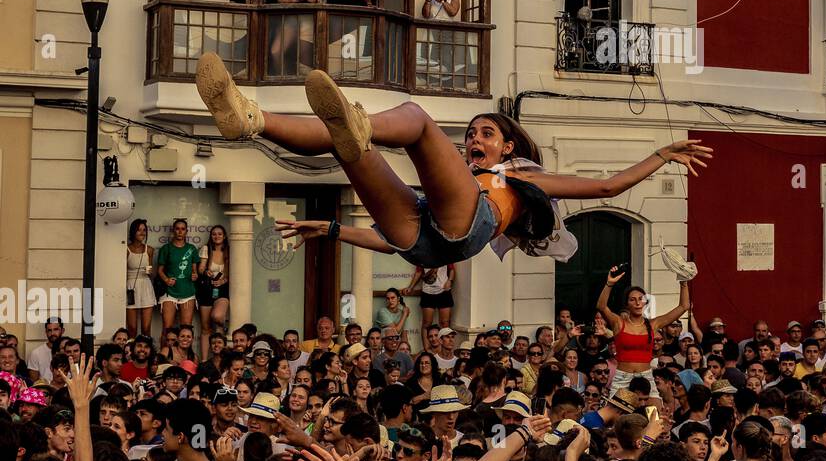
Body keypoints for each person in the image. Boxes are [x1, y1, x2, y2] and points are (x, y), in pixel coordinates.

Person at [194, 53, 711, 279]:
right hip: (424, 244)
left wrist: (661, 155)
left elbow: (605, 187)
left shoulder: (520, 174)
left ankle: (361, 124)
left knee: (417, 119)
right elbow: (392, 241)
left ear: (510, 147)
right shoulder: (461, 182)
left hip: (469, 225)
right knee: (344, 145)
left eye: (486, 133)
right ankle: (251, 119)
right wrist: (332, 229)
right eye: (471, 134)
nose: (473, 139)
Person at [597, 267, 691, 404]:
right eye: (632, 300)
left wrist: (683, 282)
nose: (637, 303)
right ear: (627, 304)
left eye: (640, 299)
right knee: (617, 418)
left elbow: (683, 306)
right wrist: (609, 284)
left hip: (646, 376)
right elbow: (601, 306)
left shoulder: (653, 324)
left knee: (655, 413)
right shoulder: (618, 323)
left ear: (645, 302)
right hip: (623, 377)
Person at [269, 0, 316, 72]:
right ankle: (283, 76)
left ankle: (305, 82)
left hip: (307, 20)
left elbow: (319, 0)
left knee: (305, 57)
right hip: (290, 19)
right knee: (275, 51)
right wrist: (289, 0)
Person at [156, 219, 200, 334]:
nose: (180, 231)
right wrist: (166, 280)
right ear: (173, 231)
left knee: (186, 329)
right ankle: (165, 352)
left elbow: (195, 270)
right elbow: (159, 270)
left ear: (186, 231)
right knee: (167, 329)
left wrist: (195, 275)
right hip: (169, 292)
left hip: (188, 292)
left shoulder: (191, 249)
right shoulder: (166, 248)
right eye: (177, 229)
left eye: (183, 229)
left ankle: (184, 353)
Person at [197, 225, 231, 361]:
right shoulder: (206, 249)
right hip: (207, 288)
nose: (217, 236)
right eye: (214, 234)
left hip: (222, 289)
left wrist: (224, 281)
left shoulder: (229, 251)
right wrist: (206, 272)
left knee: (217, 317)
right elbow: (200, 269)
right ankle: (205, 360)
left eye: (219, 234)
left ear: (224, 236)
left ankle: (221, 359)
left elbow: (232, 272)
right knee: (206, 328)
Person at [124, 220, 157, 339]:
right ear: (133, 231)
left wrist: (150, 272)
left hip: (146, 286)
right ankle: (131, 354)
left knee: (146, 328)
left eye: (144, 230)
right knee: (132, 328)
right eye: (139, 230)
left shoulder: (149, 250)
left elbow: (152, 273)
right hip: (131, 287)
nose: (142, 233)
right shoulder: (125, 249)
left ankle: (147, 353)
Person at [405, 264, 455, 333]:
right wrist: (410, 287)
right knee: (426, 324)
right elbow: (418, 272)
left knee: (445, 323)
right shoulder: (422, 255)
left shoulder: (445, 254)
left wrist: (450, 280)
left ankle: (443, 343)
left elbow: (451, 269)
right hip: (428, 292)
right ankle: (426, 344)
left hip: (444, 291)